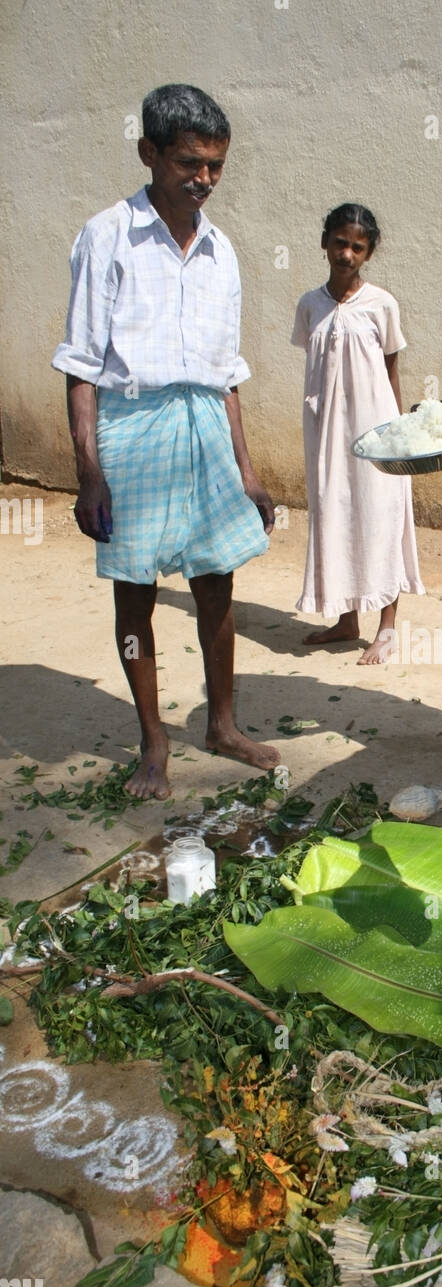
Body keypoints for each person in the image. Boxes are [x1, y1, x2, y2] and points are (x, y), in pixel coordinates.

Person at [52, 84, 277, 801]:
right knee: (136, 596)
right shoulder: (107, 235)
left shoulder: (222, 251)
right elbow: (82, 368)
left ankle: (223, 724)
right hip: (134, 429)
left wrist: (247, 470)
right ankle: (153, 743)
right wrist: (90, 473)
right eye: (189, 163)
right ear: (149, 153)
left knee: (217, 583)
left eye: (215, 165)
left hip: (206, 427)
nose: (204, 179)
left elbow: (227, 376)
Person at [292, 204, 424, 664]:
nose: (346, 254)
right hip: (327, 430)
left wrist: (399, 432)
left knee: (381, 514)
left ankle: (386, 627)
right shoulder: (310, 304)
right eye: (340, 243)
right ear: (325, 241)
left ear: (368, 253)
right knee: (335, 511)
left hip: (376, 428)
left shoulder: (381, 304)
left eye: (357, 247)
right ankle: (347, 619)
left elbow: (390, 370)